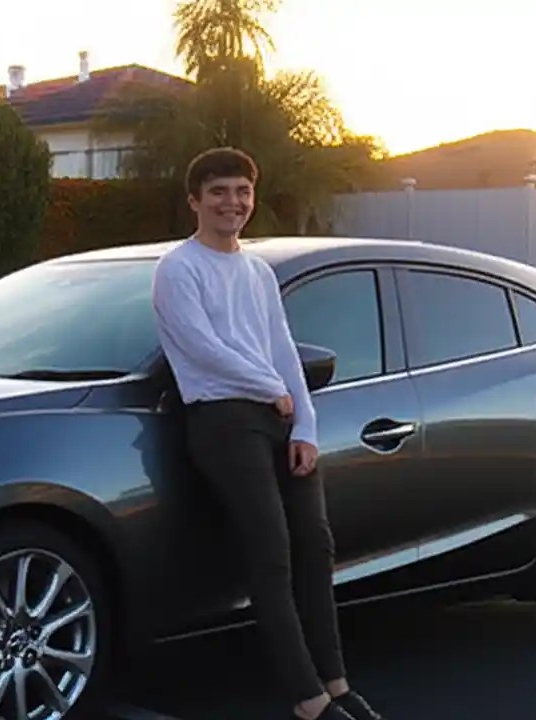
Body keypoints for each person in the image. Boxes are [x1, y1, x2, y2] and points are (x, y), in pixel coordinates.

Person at [151, 147, 385, 720]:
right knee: (271, 552)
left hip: (276, 414)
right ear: (194, 200)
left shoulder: (257, 272)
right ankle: (306, 699)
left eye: (242, 192)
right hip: (223, 420)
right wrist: (268, 387)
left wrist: (303, 422)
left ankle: (335, 684)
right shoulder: (178, 269)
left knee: (314, 545)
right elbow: (202, 346)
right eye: (219, 192)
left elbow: (283, 348)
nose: (232, 203)